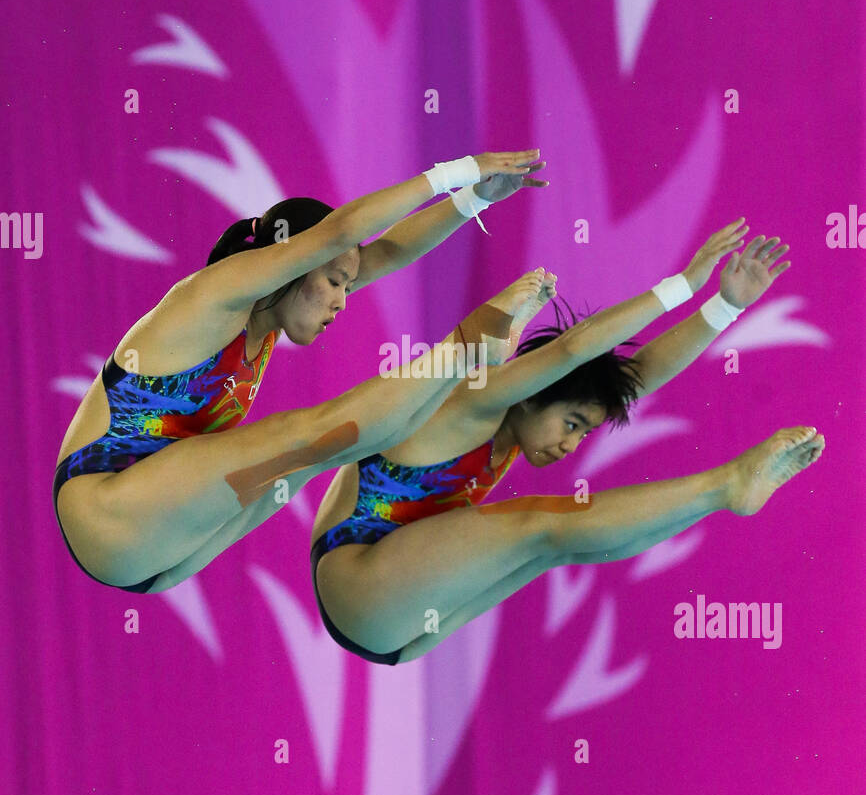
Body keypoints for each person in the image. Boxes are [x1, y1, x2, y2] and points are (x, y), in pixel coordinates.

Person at [308, 220, 825, 665]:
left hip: (402, 623)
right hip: (357, 579)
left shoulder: (517, 428)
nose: (572, 445)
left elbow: (636, 374)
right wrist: (681, 287)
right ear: (532, 395)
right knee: (543, 524)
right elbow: (573, 350)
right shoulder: (475, 401)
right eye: (573, 423)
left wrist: (724, 308)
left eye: (583, 432)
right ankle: (726, 485)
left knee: (556, 547)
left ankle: (716, 499)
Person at [52, 150, 547, 592]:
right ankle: (464, 349)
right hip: (105, 506)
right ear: (292, 262)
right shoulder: (215, 296)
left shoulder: (270, 318)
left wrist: (476, 198)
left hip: (161, 545)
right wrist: (460, 172)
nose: (341, 303)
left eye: (347, 288)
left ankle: (468, 355)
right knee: (299, 433)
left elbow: (385, 251)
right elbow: (342, 232)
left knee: (329, 448)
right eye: (334, 282)